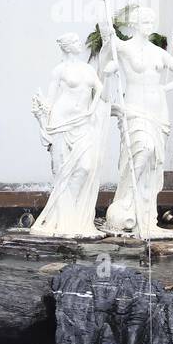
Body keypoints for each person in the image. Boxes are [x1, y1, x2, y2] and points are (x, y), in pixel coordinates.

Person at [98, 4, 173, 238]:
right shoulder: (125, 47)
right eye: (146, 21)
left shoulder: (158, 52)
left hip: (158, 111)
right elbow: (107, 42)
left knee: (154, 161)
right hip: (135, 108)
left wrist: (163, 88)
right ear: (136, 24)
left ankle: (145, 217)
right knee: (143, 149)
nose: (150, 25)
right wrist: (104, 20)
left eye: (152, 21)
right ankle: (127, 199)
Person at [29, 33, 107, 238]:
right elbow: (51, 99)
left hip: (83, 122)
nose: (79, 43)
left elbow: (99, 89)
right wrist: (40, 113)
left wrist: (92, 108)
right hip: (62, 123)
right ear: (65, 47)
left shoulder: (89, 69)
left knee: (86, 166)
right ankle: (64, 218)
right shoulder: (59, 70)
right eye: (74, 42)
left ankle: (73, 212)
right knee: (62, 171)